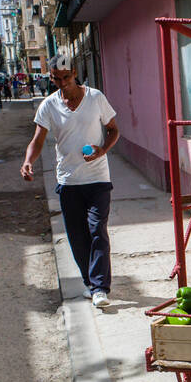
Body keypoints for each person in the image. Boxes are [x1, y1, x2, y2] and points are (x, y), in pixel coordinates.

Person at [21, 54, 120, 307]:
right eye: (56, 78)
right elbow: (38, 140)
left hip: (97, 178)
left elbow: (114, 130)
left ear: (74, 73)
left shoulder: (96, 98)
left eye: (66, 77)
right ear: (51, 77)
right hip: (68, 182)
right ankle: (90, 282)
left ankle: (100, 288)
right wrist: (28, 161)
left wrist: (102, 150)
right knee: (77, 236)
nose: (62, 83)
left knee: (98, 230)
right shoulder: (49, 105)